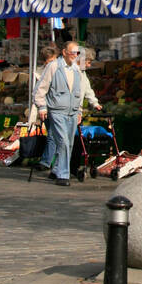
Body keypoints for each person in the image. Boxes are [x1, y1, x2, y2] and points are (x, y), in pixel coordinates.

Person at [33, 41, 102, 186]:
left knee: (69, 143)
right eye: (72, 53)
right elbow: (41, 88)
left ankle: (57, 169)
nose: (75, 56)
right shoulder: (54, 66)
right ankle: (63, 175)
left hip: (72, 112)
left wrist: (79, 111)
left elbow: (80, 92)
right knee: (63, 141)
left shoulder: (77, 70)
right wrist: (42, 107)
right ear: (64, 52)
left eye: (77, 53)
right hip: (57, 111)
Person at [29, 44, 58, 171]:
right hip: (47, 106)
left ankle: (47, 162)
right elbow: (39, 90)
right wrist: (42, 107)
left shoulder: (58, 68)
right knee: (52, 134)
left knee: (53, 134)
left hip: (55, 106)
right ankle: (48, 161)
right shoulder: (41, 71)